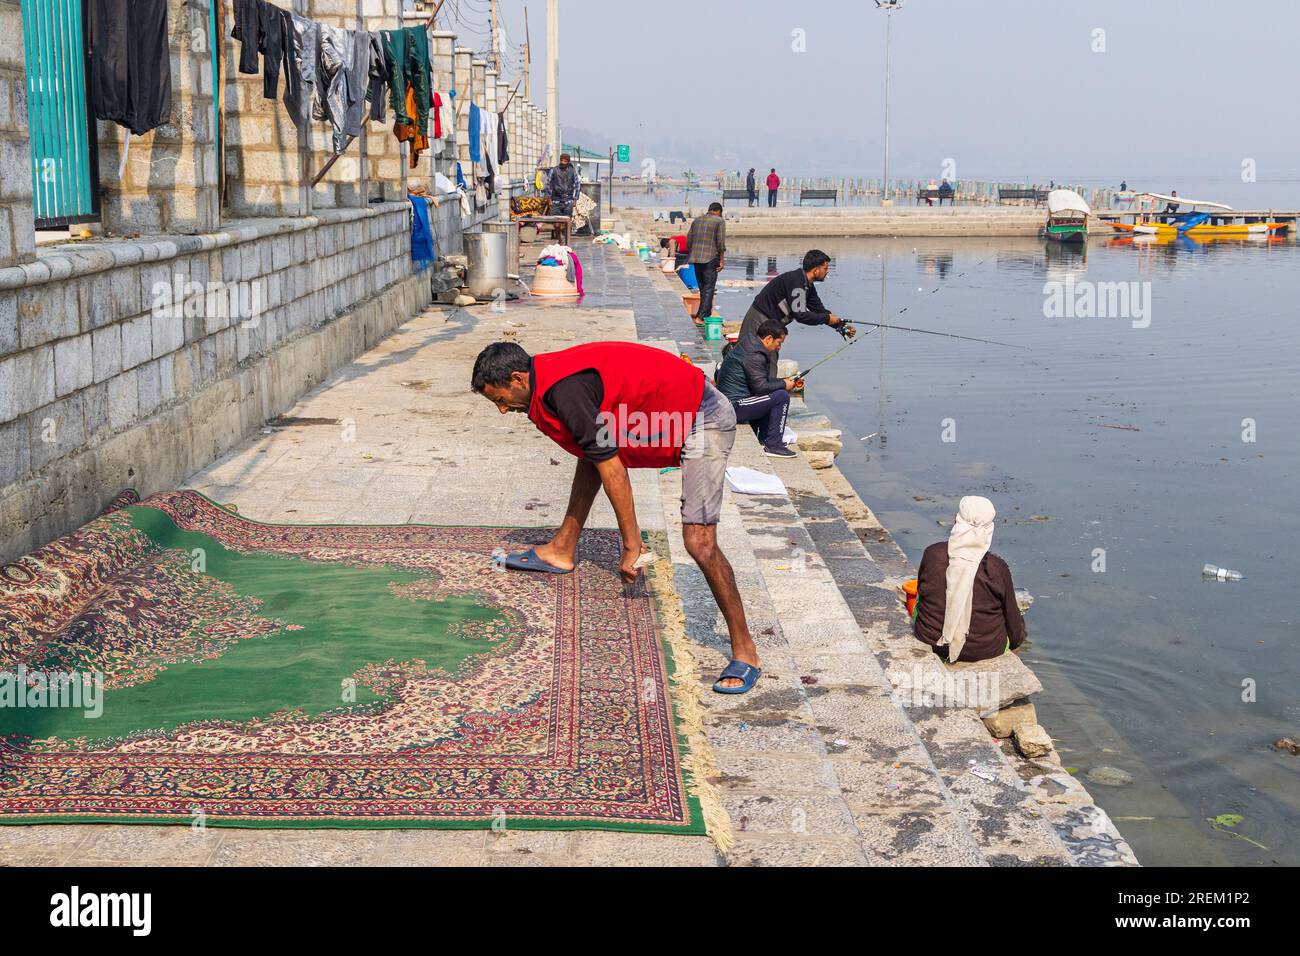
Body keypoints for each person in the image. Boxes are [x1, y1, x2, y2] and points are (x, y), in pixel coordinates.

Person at [470, 340, 763, 694]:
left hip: (703, 417)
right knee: (590, 449)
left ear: (518, 378)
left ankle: (746, 651)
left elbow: (614, 471)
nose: (502, 410)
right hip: (670, 407)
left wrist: (631, 546)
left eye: (499, 399)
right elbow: (597, 447)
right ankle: (561, 550)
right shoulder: (549, 379)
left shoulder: (565, 390)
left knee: (699, 542)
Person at [912, 496, 1025, 663]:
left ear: (957, 520)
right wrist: (1016, 642)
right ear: (989, 528)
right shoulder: (996, 568)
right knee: (1015, 618)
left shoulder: (932, 554)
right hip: (985, 650)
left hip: (931, 640)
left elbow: (922, 594)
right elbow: (1012, 620)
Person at [738, 250, 853, 376]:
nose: (827, 271)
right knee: (751, 357)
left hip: (772, 325)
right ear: (816, 270)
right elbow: (801, 315)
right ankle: (759, 391)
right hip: (759, 320)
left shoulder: (807, 285)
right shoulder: (797, 283)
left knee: (769, 360)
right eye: (825, 268)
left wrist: (840, 326)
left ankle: (767, 390)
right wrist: (826, 319)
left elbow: (819, 310)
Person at [715, 318, 797, 458]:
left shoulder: (751, 345)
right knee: (781, 396)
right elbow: (760, 388)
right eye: (779, 343)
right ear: (769, 338)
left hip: (732, 404)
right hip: (733, 407)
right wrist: (784, 384)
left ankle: (765, 438)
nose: (779, 347)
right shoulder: (754, 355)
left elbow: (760, 381)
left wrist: (784, 381)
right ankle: (773, 445)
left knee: (776, 392)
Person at [685, 202, 726, 321]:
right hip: (710, 258)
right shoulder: (719, 221)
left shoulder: (696, 221)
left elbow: (689, 241)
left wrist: (694, 253)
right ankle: (701, 317)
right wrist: (722, 261)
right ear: (718, 211)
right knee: (709, 287)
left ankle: (705, 314)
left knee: (702, 287)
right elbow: (720, 243)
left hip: (696, 258)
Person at [547, 152, 580, 218]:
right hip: (556, 201)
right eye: (562, 160)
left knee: (567, 222)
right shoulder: (553, 170)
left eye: (565, 161)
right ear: (560, 160)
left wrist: (575, 199)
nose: (563, 162)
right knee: (556, 223)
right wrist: (549, 199)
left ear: (568, 162)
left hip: (568, 201)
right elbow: (547, 184)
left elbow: (577, 185)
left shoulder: (572, 171)